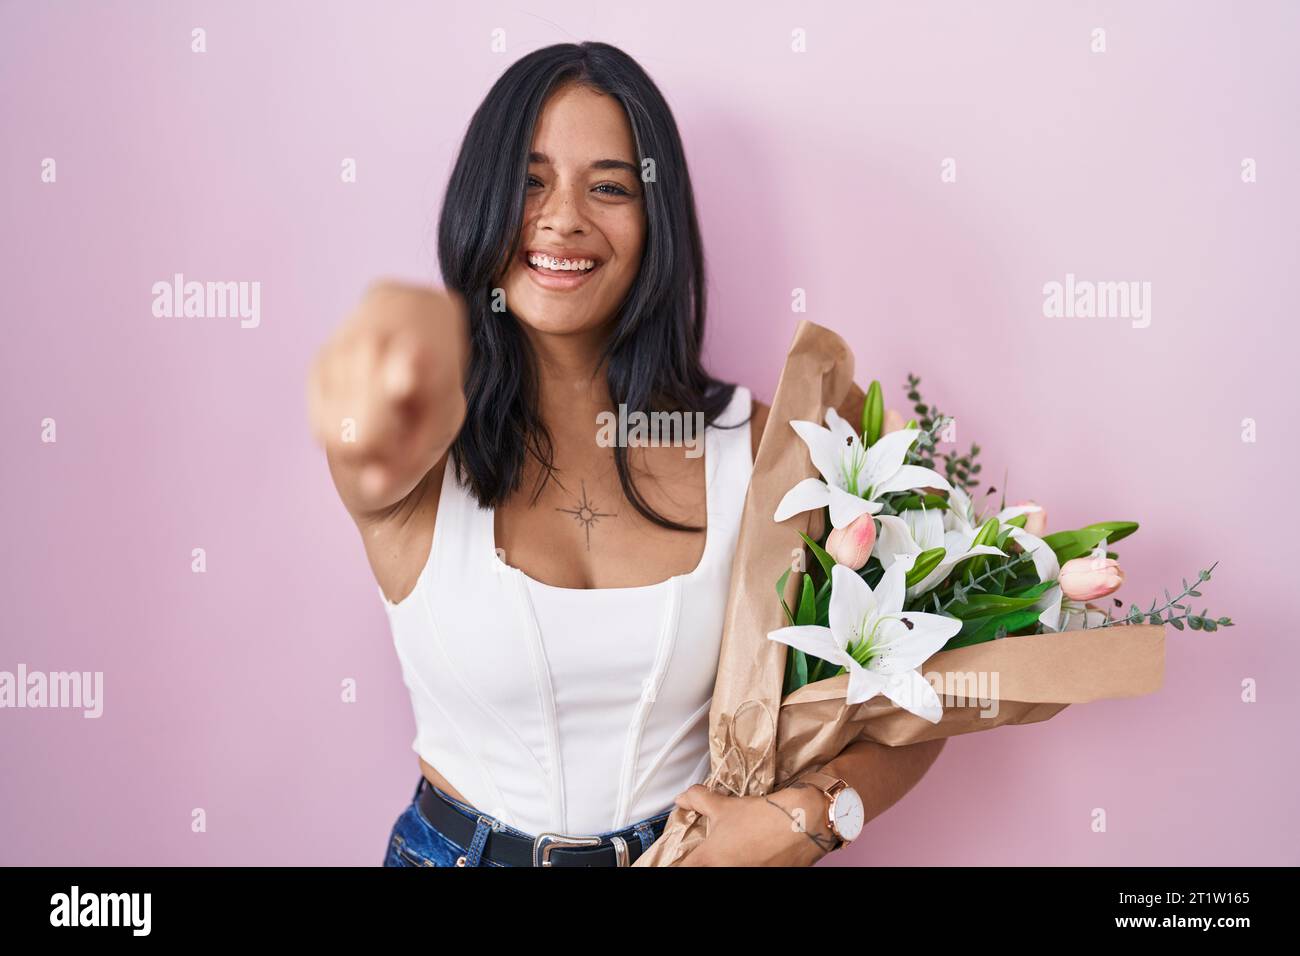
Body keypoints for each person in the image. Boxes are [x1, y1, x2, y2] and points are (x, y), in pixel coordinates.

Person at [308, 41, 944, 867]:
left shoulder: (765, 451)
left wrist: (807, 818)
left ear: (655, 221)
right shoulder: (415, 459)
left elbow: (920, 695)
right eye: (528, 182)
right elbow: (367, 404)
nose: (564, 217)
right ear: (478, 202)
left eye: (609, 187)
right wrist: (410, 330)